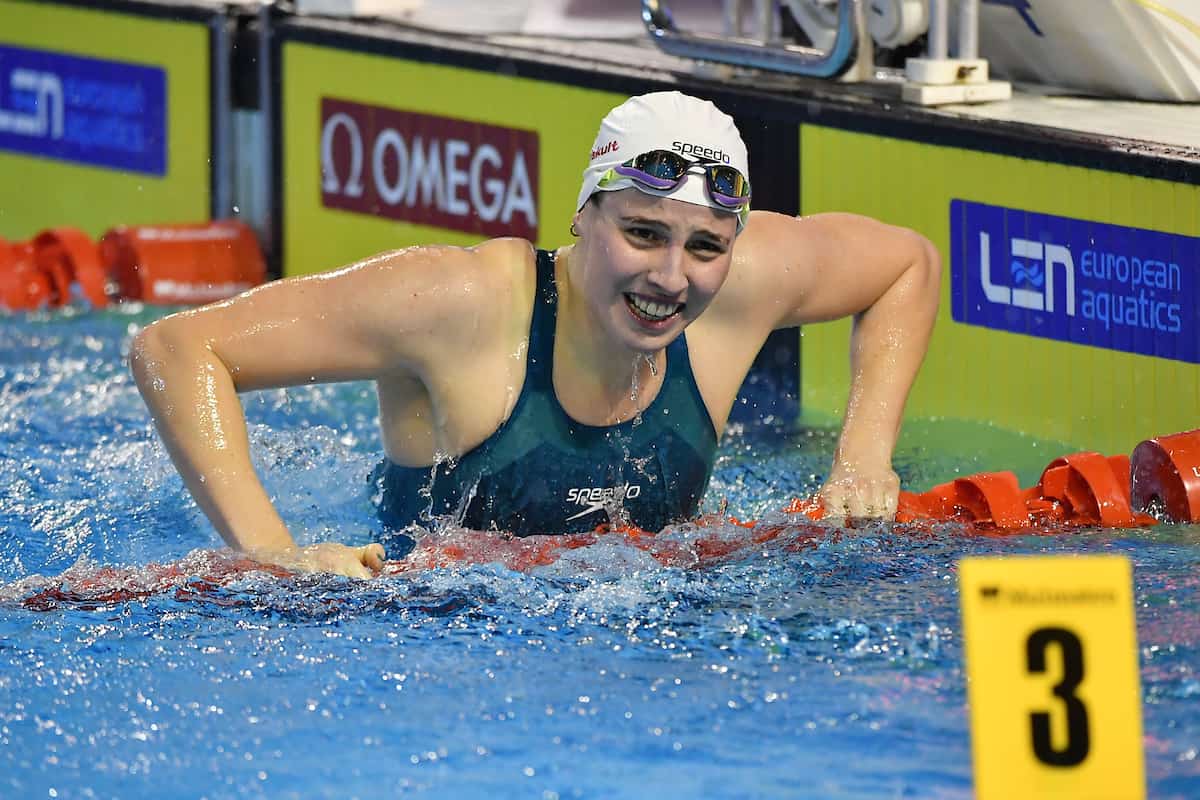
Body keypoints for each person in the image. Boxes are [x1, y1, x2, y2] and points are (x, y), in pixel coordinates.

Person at [130, 91, 940, 578]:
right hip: (435, 637)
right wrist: (274, 557)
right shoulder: (460, 301)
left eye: (704, 248)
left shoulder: (746, 283)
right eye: (642, 234)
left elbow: (910, 263)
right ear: (583, 216)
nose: (669, 278)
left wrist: (864, 456)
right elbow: (175, 347)